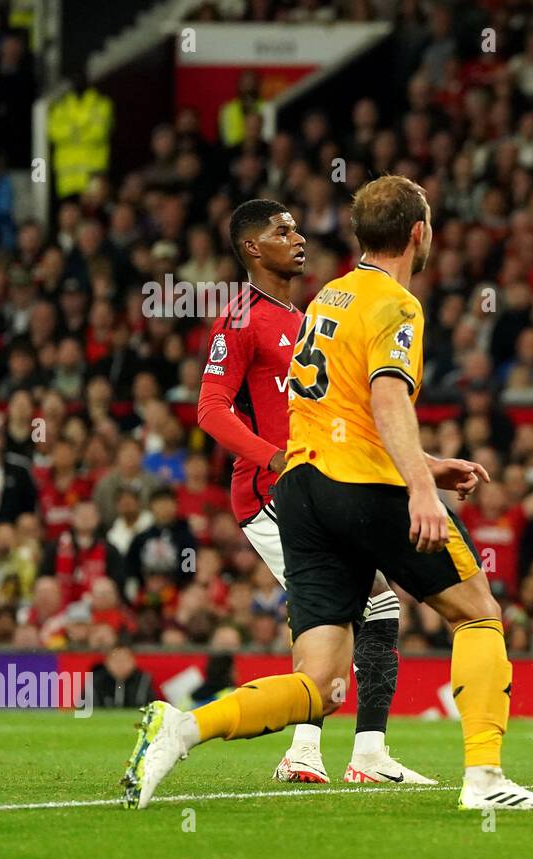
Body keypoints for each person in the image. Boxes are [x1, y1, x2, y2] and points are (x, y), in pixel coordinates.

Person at [122, 175, 533, 811]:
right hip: (347, 485)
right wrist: (419, 488)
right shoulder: (394, 304)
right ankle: (486, 782)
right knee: (478, 612)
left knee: (320, 681)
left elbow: (342, 410)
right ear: (419, 233)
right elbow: (381, 397)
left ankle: (183, 729)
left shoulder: (326, 299)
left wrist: (428, 463)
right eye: (282, 230)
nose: (296, 239)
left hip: (302, 491)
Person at [195, 198, 429, 786]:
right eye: (281, 231)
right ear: (252, 248)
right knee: (360, 605)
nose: (298, 238)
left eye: (299, 227)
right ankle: (329, 751)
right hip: (269, 492)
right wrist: (273, 457)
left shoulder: (306, 318)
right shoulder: (240, 319)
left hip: (315, 483)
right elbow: (210, 410)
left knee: (359, 607)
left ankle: (345, 751)